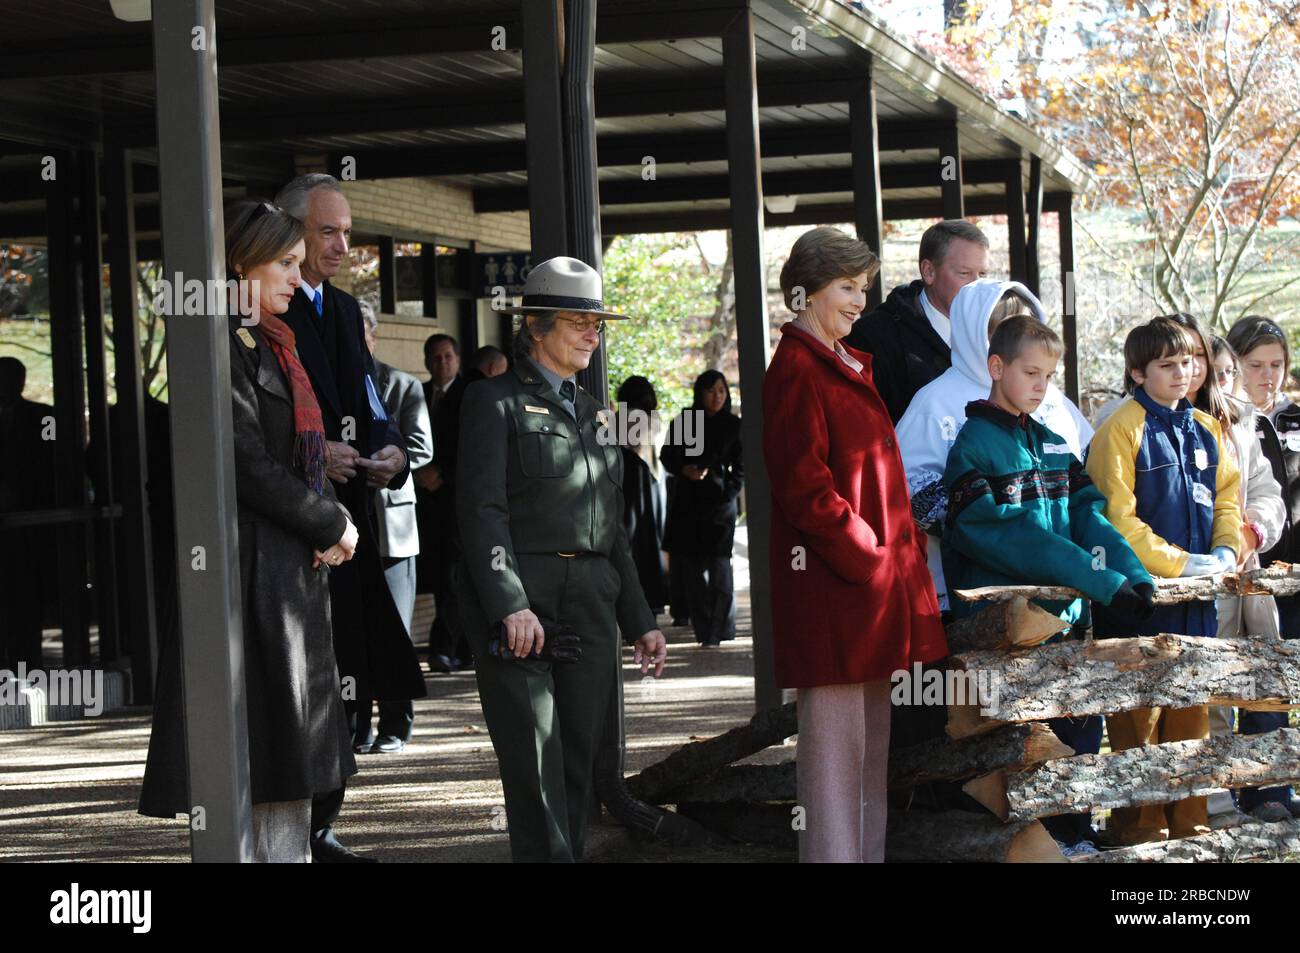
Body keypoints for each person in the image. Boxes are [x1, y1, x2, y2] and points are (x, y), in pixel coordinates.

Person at [138, 200, 360, 862]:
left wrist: (324, 518)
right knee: (258, 759)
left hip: (286, 571)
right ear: (240, 266)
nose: (297, 278)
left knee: (285, 766)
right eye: (284, 265)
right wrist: (330, 519)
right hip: (245, 575)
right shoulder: (211, 341)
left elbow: (287, 455)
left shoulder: (272, 341)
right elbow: (247, 464)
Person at [456, 256, 667, 862]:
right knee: (534, 752)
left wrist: (642, 619)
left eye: (597, 323)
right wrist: (509, 602)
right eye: (579, 321)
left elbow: (615, 531)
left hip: (593, 596)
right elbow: (480, 510)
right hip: (526, 595)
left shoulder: (598, 414)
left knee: (579, 754)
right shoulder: (491, 401)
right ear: (536, 327)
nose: (592, 334)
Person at [764, 227, 947, 863]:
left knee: (868, 759)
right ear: (806, 291)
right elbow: (804, 490)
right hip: (835, 597)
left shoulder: (841, 360)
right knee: (834, 771)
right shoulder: (795, 369)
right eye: (846, 288)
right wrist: (868, 554)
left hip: (867, 598)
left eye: (864, 289)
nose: (858, 303)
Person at [940, 315, 1155, 855]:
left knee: (1079, 733)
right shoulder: (971, 449)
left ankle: (1074, 838)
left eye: (1048, 375)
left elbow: (1089, 519)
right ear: (996, 367)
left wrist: (1131, 574)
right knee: (1023, 751)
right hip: (1010, 642)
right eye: (1030, 372)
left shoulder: (1055, 445)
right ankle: (1039, 847)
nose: (1041, 386)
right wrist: (1098, 579)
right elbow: (1018, 539)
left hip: (1065, 629)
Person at [273, 173, 425, 862]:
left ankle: (327, 818)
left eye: (346, 231)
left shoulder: (339, 309)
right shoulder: (260, 314)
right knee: (310, 676)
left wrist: (390, 445)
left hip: (354, 517)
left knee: (356, 665)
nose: (341, 245)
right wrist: (313, 452)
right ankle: (298, 824)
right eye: (326, 231)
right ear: (290, 230)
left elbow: (370, 392)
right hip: (298, 529)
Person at [1086, 316, 1242, 845]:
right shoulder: (1121, 427)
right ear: (1137, 372)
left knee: (1191, 715)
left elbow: (1227, 497)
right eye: (1167, 365)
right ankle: (1141, 831)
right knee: (1140, 721)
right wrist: (1178, 562)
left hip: (1196, 606)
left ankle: (1191, 821)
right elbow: (1114, 516)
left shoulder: (1205, 426)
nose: (1183, 372)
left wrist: (1225, 548)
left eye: (1189, 361)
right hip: (1140, 602)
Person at [896, 279, 1094, 613]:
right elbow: (911, 493)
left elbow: (1081, 467)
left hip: (1059, 588)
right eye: (1005, 329)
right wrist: (991, 513)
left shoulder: (1051, 397)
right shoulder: (934, 401)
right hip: (973, 590)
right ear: (975, 332)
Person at [1196, 332, 1286, 824]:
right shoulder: (1164, 423)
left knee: (1263, 684)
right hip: (1204, 576)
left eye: (1231, 372)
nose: (1226, 381)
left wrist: (1254, 530)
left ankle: (1266, 791)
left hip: (1249, 575)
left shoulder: (1245, 422)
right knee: (1210, 692)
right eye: (1220, 372)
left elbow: (1267, 491)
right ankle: (1215, 799)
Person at [1224, 314, 1300, 820]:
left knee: (1289, 682)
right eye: (1256, 365)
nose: (1267, 376)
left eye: (1277, 365)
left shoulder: (1297, 419)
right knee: (1260, 683)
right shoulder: (1229, 421)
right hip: (1256, 573)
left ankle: (1285, 783)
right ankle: (1262, 791)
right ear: (1234, 364)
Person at [358, 305, 434, 754]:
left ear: (373, 336)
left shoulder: (402, 384)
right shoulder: (330, 381)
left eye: (359, 333)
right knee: (354, 629)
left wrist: (386, 463)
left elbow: (422, 448)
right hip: (348, 525)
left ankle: (395, 724)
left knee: (395, 630)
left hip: (394, 524)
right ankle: (356, 727)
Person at [843, 219, 990, 423]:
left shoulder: (997, 333)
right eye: (964, 273)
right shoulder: (872, 339)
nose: (977, 286)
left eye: (983, 274)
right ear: (929, 271)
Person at [419, 344, 509, 673]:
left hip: (460, 499)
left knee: (455, 576)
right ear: (426, 361)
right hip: (424, 505)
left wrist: (443, 472)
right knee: (443, 576)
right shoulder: (420, 392)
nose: (442, 362)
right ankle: (458, 647)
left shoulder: (470, 393)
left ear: (459, 360)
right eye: (436, 357)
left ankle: (445, 647)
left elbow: (473, 444)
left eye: (448, 356)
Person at [660, 371, 743, 646]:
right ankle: (705, 632)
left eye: (721, 390)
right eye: (711, 390)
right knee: (694, 576)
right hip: (689, 504)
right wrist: (685, 470)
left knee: (721, 572)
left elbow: (743, 466)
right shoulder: (687, 420)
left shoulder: (734, 425)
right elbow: (668, 455)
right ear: (700, 392)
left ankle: (723, 629)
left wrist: (728, 491)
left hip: (720, 506)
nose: (717, 396)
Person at [0, 356, 56, 671]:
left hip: (29, 531)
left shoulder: (43, 419)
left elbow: (52, 466)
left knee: (26, 603)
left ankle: (28, 666)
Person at [615, 375, 669, 614]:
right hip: (655, 483)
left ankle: (634, 602)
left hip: (630, 481)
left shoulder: (622, 419)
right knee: (653, 539)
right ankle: (654, 598)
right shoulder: (655, 420)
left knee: (631, 540)